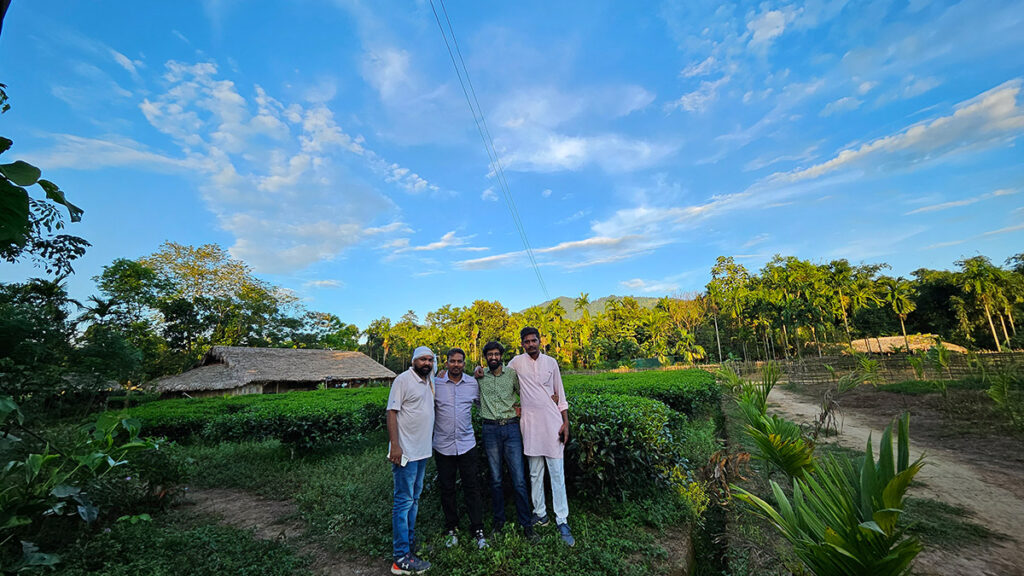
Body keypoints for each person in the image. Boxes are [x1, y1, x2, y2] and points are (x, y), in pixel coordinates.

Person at [508, 326, 575, 547]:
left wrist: (565, 422)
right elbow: (501, 378)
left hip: (552, 423)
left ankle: (562, 519)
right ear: (522, 344)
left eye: (533, 340)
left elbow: (561, 394)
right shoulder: (516, 363)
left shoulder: (551, 363)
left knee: (556, 473)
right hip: (530, 426)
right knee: (535, 473)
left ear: (540, 341)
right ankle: (540, 514)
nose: (530, 344)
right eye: (526, 341)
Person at [478, 341, 534, 539]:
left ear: (501, 356)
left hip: (511, 428)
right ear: (485, 357)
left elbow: (526, 393)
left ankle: (526, 524)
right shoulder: (479, 376)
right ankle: (498, 523)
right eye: (489, 355)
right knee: (496, 480)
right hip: (490, 430)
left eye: (496, 354)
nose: (493, 357)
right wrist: (441, 374)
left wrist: (550, 398)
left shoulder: (511, 374)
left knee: (519, 479)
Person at [387, 347, 436, 575]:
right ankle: (400, 557)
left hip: (422, 452)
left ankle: (409, 544)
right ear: (414, 360)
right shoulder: (403, 380)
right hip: (405, 452)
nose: (427, 363)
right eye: (423, 359)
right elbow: (392, 413)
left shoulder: (429, 380)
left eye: (430, 359)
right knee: (404, 501)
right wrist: (395, 446)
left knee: (414, 499)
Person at [433, 347, 487, 550]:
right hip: (443, 446)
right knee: (447, 489)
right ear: (446, 363)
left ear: (465, 364)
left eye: (459, 361)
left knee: (472, 487)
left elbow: (483, 403)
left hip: (467, 445)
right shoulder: (435, 384)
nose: (456, 365)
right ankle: (451, 527)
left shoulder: (473, 383)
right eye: (452, 361)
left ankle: (477, 528)